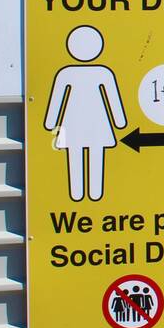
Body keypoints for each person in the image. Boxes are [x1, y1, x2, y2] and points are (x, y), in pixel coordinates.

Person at [44, 26, 126, 202]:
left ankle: (78, 193)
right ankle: (92, 193)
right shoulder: (102, 73)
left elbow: (57, 100)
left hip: (75, 122)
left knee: (76, 155)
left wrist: (51, 122)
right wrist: (119, 122)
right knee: (95, 155)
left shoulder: (67, 73)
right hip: (97, 122)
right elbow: (113, 100)